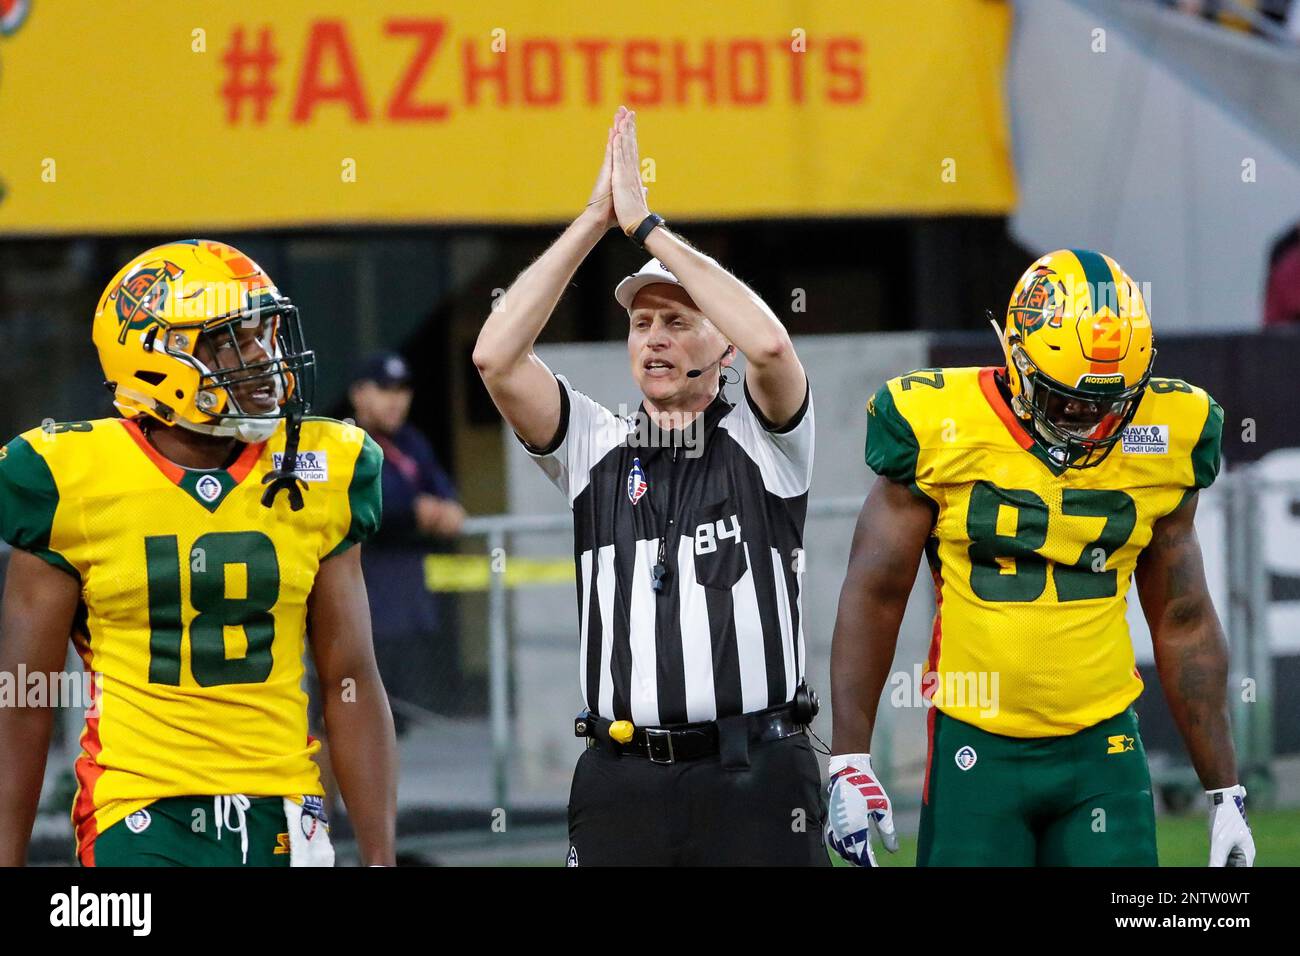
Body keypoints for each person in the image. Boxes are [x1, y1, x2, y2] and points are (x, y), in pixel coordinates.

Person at [474, 106, 824, 866]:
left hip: (755, 776)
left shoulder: (765, 440)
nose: (655, 338)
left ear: (720, 346)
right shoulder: (596, 443)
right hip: (620, 782)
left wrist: (649, 227)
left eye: (677, 321)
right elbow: (496, 357)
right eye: (641, 324)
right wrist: (595, 223)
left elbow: (769, 341)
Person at [826, 249, 1256, 867]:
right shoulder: (939, 423)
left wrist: (1225, 790)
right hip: (977, 747)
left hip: (1102, 748)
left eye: (1111, 405)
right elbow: (875, 592)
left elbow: (1182, 617)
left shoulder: (1168, 431)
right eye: (1069, 403)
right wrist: (849, 757)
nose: (1091, 423)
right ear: (1016, 358)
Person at [0, 239, 397, 866]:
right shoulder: (70, 475)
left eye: (264, 334)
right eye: (231, 340)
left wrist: (379, 859)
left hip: (286, 807)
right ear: (156, 359)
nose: (264, 359)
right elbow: (24, 695)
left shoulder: (322, 467)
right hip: (140, 810)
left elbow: (349, 676)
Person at [348, 351, 465, 731]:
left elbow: (446, 498)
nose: (396, 399)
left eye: (402, 389)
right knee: (346, 722)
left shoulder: (412, 442)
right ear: (359, 394)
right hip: (360, 610)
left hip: (408, 607)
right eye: (384, 389)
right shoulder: (346, 440)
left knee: (394, 725)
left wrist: (429, 509)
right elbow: (374, 505)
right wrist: (417, 510)